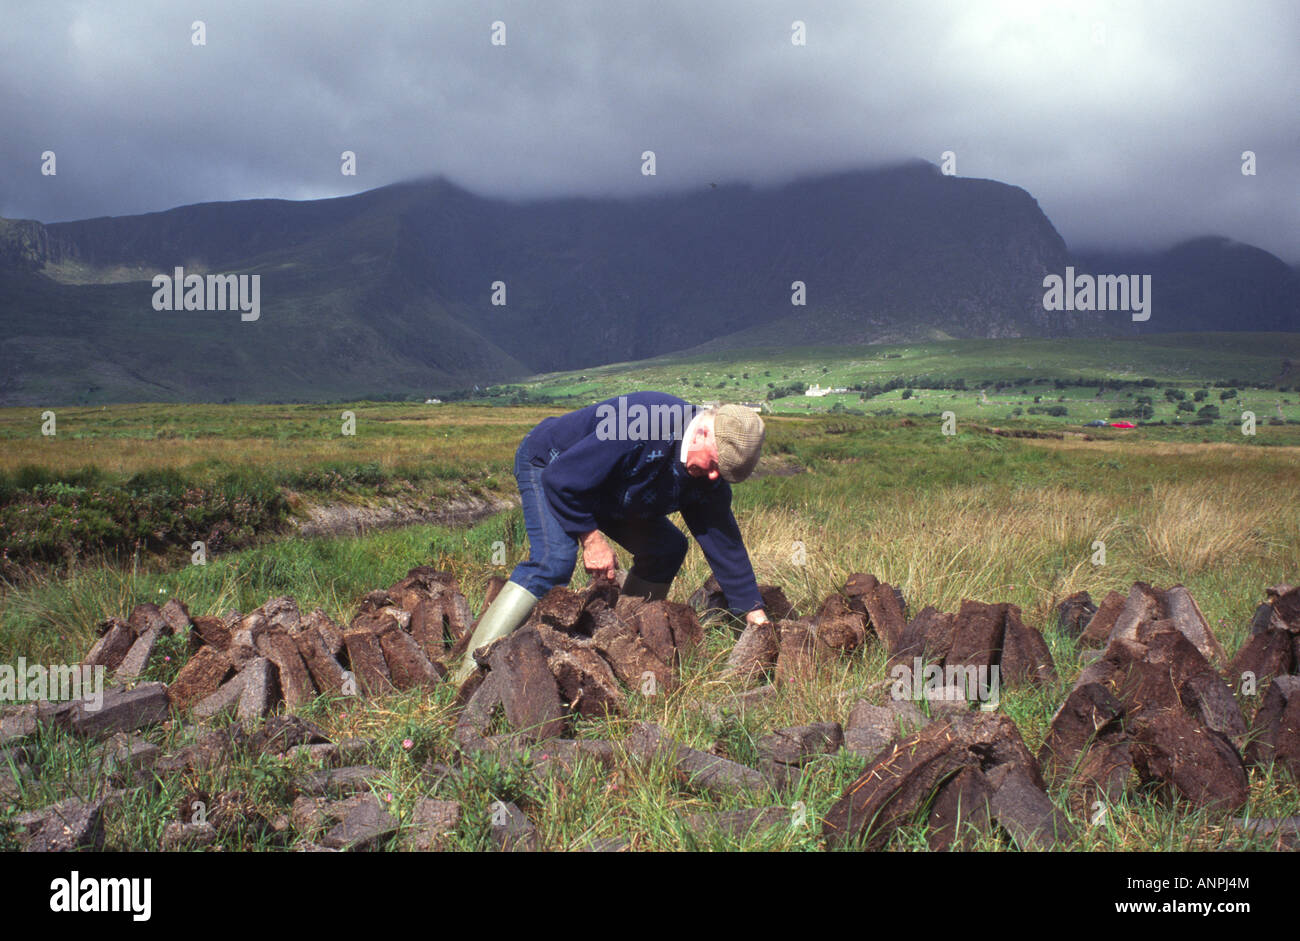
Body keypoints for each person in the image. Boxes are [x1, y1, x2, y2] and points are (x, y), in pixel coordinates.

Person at [451, 391, 769, 682]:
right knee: (554, 561)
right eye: (714, 465)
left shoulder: (710, 478)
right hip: (553, 465)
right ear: (702, 432)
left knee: (668, 548)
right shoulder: (642, 422)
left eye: (722, 474)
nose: (714, 477)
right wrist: (592, 540)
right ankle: (468, 676)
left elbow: (723, 541)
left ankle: (617, 645)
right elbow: (563, 479)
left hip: (610, 490)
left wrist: (754, 613)